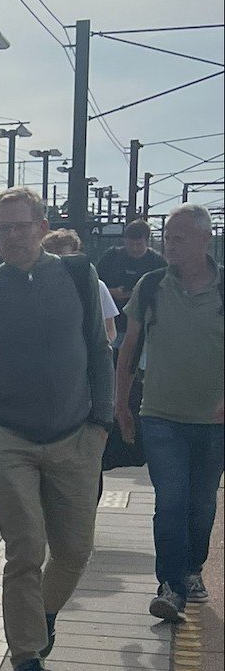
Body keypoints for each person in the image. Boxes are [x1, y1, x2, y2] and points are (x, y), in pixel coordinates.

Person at [0, 186, 113, 671]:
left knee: (73, 551)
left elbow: (99, 348)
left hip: (77, 436)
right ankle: (27, 658)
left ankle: (41, 615)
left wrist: (101, 423)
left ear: (43, 226)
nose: (12, 235)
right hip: (9, 439)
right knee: (25, 548)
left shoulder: (76, 275)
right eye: (1, 228)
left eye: (21, 225)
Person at [116, 203, 224, 624]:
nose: (168, 244)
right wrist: (120, 402)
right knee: (171, 500)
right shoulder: (151, 285)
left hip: (215, 422)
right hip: (160, 414)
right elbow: (129, 347)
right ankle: (171, 586)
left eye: (179, 237)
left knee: (201, 503)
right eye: (167, 235)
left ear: (205, 239)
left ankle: (193, 569)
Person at [43, 228, 119, 343]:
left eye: (65, 257)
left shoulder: (97, 287)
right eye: (54, 257)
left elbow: (110, 329)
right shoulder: (38, 288)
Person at [96, 217, 163, 311]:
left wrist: (132, 294)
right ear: (124, 241)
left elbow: (163, 292)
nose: (134, 249)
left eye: (139, 244)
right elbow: (95, 285)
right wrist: (112, 292)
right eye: (131, 244)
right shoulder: (111, 257)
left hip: (145, 314)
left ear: (147, 242)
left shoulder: (157, 262)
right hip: (114, 312)